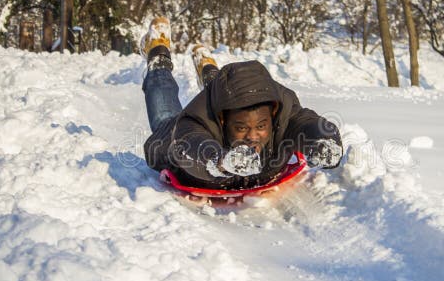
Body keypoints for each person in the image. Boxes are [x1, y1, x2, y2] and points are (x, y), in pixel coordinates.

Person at [141, 17, 343, 190]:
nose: (253, 136)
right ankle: (157, 51)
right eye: (241, 127)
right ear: (222, 119)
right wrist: (220, 161)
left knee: (227, 91)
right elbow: (190, 145)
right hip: (171, 134)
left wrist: (323, 140)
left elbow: (303, 122)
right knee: (163, 102)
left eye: (262, 126)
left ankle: (208, 68)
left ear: (272, 116)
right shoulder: (192, 126)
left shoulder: (281, 112)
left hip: (223, 100)